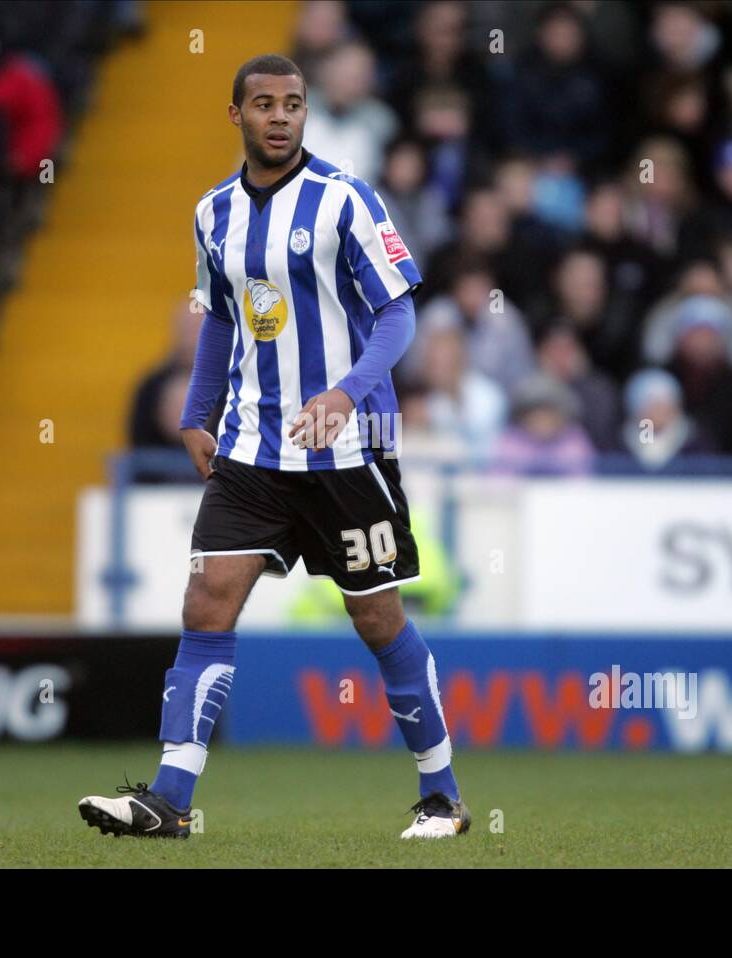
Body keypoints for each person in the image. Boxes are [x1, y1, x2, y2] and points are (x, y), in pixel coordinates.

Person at [78, 55, 468, 840]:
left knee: (379, 620)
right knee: (207, 600)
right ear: (238, 116)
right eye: (265, 104)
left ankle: (443, 798)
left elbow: (397, 317)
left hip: (346, 448)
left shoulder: (344, 200)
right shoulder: (213, 212)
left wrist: (343, 393)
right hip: (253, 449)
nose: (282, 116)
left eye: (293, 103)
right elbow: (222, 318)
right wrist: (198, 413)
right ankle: (169, 800)